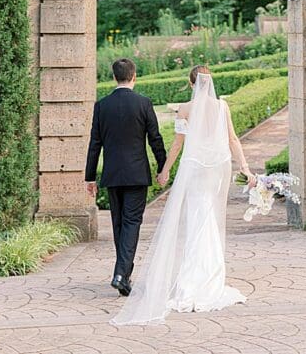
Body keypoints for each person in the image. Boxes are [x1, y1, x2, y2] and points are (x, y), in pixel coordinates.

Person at [111, 65, 257, 326]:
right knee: (209, 215)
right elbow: (233, 139)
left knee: (197, 217)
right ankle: (211, 276)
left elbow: (178, 144)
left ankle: (192, 278)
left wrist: (164, 171)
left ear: (192, 84)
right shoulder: (222, 107)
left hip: (195, 168)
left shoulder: (185, 109)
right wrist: (244, 166)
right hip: (217, 168)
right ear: (209, 82)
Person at [85, 57, 167, 296]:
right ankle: (121, 274)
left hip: (112, 174)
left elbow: (94, 144)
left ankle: (124, 275)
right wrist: (163, 167)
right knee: (131, 223)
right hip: (137, 174)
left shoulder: (102, 105)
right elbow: (155, 138)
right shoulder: (143, 103)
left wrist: (90, 177)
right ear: (134, 76)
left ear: (114, 77)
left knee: (119, 224)